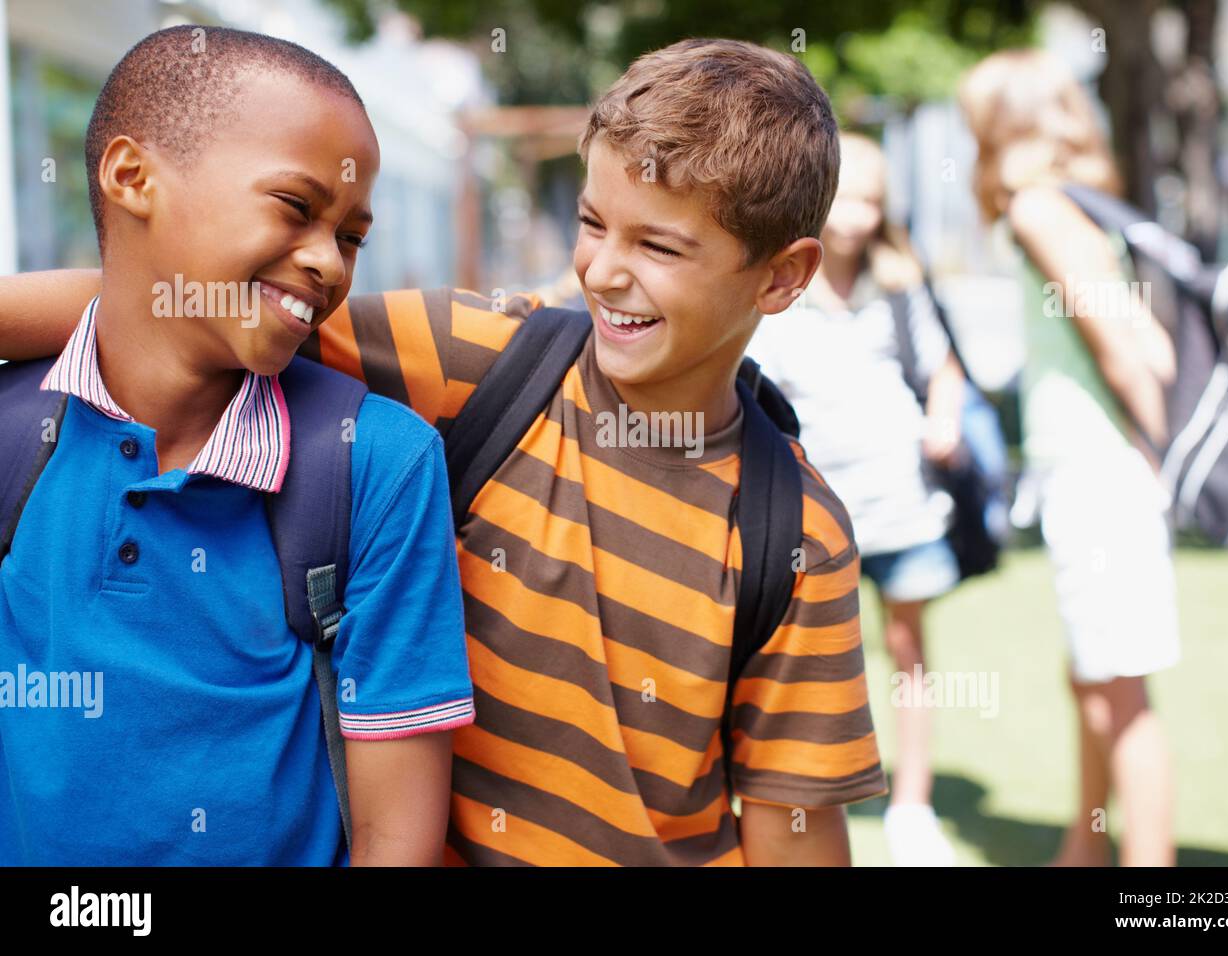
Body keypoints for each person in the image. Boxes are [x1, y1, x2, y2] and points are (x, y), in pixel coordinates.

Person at [0, 39, 887, 866]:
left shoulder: (795, 532)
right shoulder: (473, 360)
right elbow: (184, 301)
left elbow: (793, 823)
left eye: (658, 245)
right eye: (592, 222)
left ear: (782, 276)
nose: (604, 271)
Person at [0, 27, 472, 865]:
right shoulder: (17, 430)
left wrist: (131, 305)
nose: (329, 262)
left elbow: (397, 834)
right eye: (295, 207)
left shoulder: (373, 462)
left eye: (352, 236)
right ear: (131, 177)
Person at [959, 49, 1180, 866]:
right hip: (1092, 467)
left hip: (1100, 470)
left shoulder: (1043, 211)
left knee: (1117, 693)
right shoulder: (1067, 205)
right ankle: (1081, 851)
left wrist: (1157, 458)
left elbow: (1126, 351)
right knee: (1094, 676)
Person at [747, 133, 966, 866]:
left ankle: (912, 803)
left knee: (908, 653)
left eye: (875, 199)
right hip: (811, 513)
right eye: (851, 197)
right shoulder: (778, 288)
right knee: (803, 666)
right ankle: (800, 804)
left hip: (900, 504)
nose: (860, 214)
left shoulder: (901, 284)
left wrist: (943, 419)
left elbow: (944, 369)